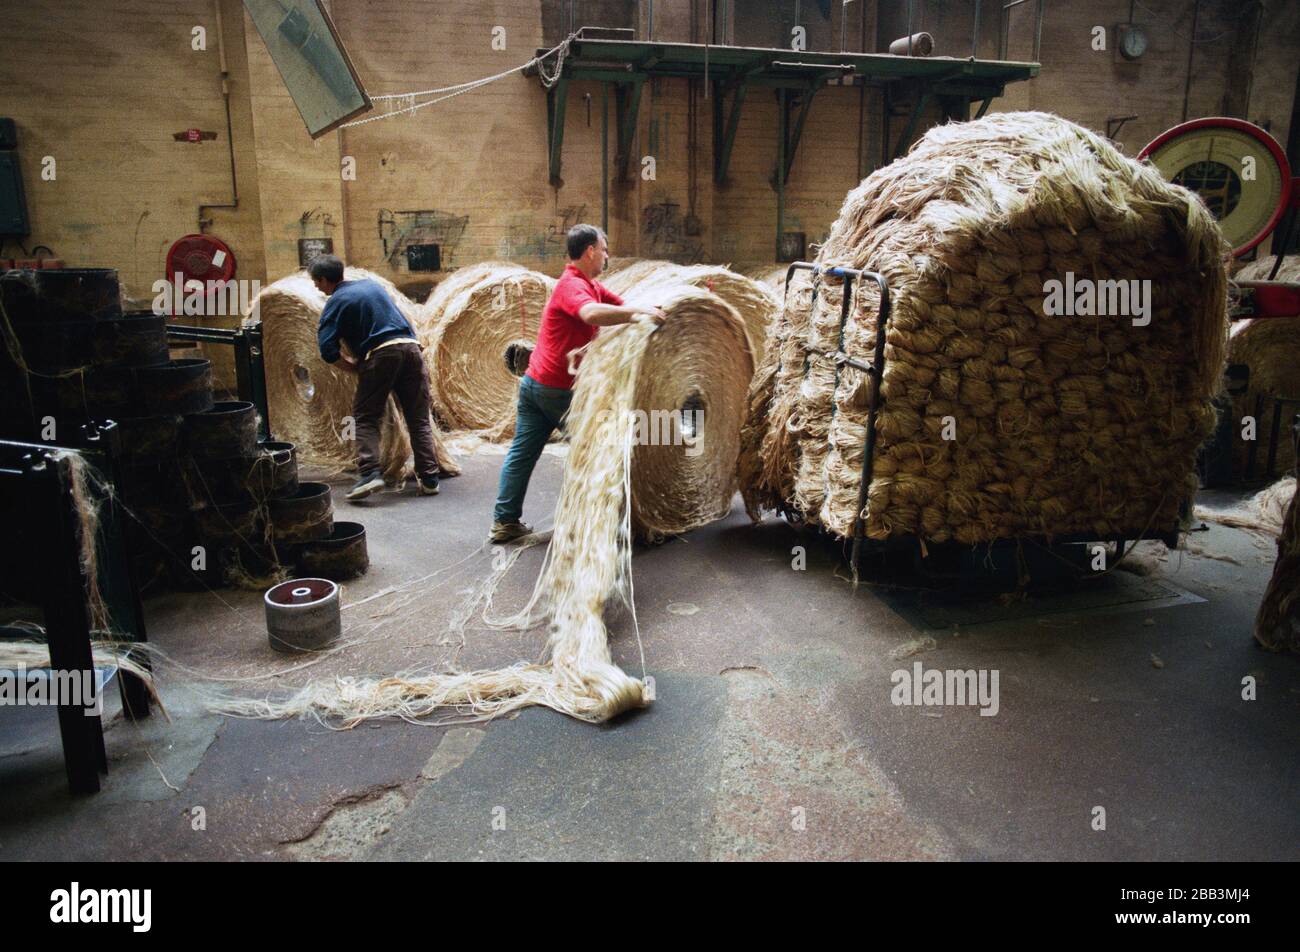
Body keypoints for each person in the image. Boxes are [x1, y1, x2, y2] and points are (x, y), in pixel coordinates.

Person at [490, 224, 665, 543]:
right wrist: (637, 313)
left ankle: (504, 522)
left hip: (535, 385)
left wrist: (653, 309)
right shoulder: (572, 286)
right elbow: (591, 314)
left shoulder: (590, 285)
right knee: (605, 452)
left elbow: (622, 306)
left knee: (522, 453)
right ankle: (622, 525)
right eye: (605, 249)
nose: (607, 256)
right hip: (559, 391)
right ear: (590, 252)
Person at [310, 254, 441, 501]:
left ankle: (370, 474)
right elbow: (399, 317)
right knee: (418, 418)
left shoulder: (335, 301)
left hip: (381, 354)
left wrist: (352, 366)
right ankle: (430, 477)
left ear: (325, 280)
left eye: (317, 282)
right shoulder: (371, 286)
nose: (316, 287)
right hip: (411, 348)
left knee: (365, 417)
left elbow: (327, 349)